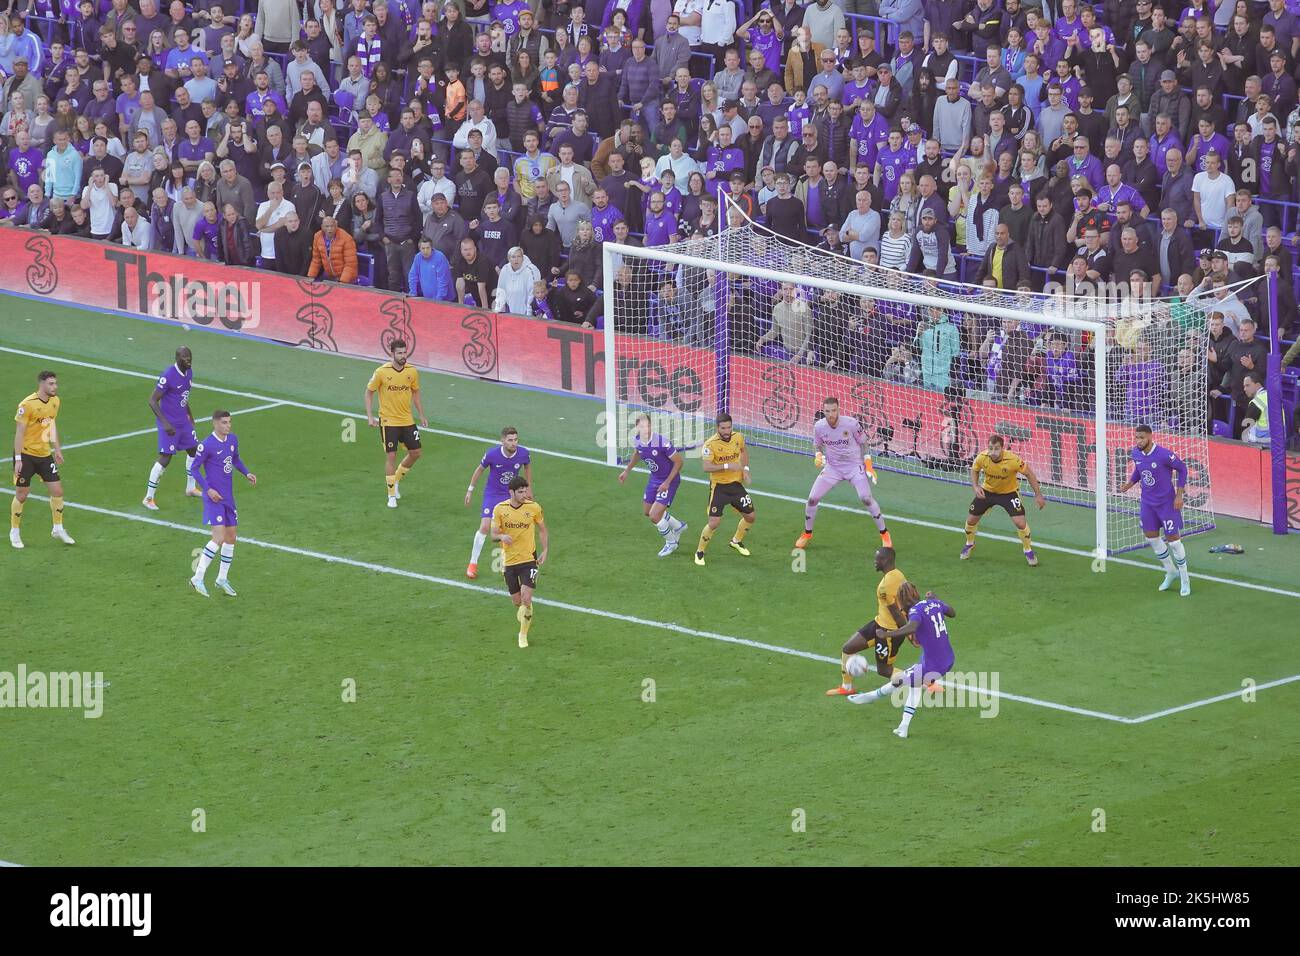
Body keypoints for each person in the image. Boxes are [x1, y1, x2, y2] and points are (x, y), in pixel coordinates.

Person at [848, 583, 958, 740]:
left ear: (904, 600)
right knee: (914, 684)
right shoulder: (932, 602)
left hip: (934, 664)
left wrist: (887, 635)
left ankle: (870, 697)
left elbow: (911, 627)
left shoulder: (915, 611)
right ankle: (903, 727)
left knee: (900, 680)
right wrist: (937, 600)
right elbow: (952, 613)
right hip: (945, 658)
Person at [794, 396, 889, 551]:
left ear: (838, 409)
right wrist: (818, 455)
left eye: (833, 410)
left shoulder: (851, 424)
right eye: (827, 411)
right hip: (833, 468)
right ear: (823, 411)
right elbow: (817, 446)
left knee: (865, 498)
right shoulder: (819, 427)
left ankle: (885, 534)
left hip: (854, 466)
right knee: (812, 498)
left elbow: (864, 443)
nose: (831, 414)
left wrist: (868, 465)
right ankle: (807, 533)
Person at [188, 409, 257, 597]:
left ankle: (221, 579)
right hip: (213, 498)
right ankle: (197, 578)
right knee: (218, 538)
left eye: (229, 422)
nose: (228, 425)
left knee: (231, 537)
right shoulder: (207, 445)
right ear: (215, 424)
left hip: (228, 497)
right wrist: (208, 489)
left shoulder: (233, 440)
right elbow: (194, 469)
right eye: (224, 423)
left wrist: (246, 473)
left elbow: (235, 459)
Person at [1118, 424, 1191, 596]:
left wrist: (1179, 495)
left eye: (1141, 437)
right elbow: (1139, 470)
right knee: (1151, 537)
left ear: (1150, 437)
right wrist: (1130, 483)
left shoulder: (1164, 454)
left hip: (1167, 503)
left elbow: (1182, 469)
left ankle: (1185, 578)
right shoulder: (1136, 453)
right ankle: (1170, 571)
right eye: (1136, 437)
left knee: (1173, 541)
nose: (1138, 440)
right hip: (1147, 503)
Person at [826, 546, 908, 697]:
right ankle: (847, 686)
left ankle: (924, 682)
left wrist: (909, 632)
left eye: (877, 559)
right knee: (848, 648)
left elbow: (896, 614)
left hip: (889, 632)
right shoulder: (898, 575)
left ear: (886, 560)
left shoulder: (885, 587)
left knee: (884, 670)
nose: (874, 562)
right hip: (879, 624)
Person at [11, 370, 74, 549]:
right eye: (51, 384)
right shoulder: (27, 405)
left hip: (44, 454)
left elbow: (51, 424)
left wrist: (57, 449)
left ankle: (58, 528)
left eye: (55, 383)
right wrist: (18, 459)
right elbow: (19, 433)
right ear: (42, 385)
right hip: (26, 455)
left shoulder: (55, 401)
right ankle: (15, 532)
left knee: (57, 491)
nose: (55, 387)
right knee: (22, 495)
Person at [962, 433, 1046, 566]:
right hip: (988, 491)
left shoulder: (1013, 460)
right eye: (990, 448)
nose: (993, 452)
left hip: (1009, 493)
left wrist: (1038, 494)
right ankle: (969, 543)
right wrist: (975, 486)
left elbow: (1029, 474)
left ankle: (1028, 550)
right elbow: (975, 470)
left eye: (996, 448)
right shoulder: (982, 457)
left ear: (1002, 448)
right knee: (971, 520)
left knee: (1020, 523)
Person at [364, 338, 428, 509]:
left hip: (407, 420)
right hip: (388, 421)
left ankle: (396, 480)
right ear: (391, 353)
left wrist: (421, 415)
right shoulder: (381, 372)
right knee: (391, 456)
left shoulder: (412, 372)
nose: (403, 356)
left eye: (404, 352)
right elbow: (369, 393)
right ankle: (391, 495)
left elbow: (415, 393)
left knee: (416, 453)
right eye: (399, 353)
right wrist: (370, 417)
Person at [464, 426, 533, 579]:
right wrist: (470, 490)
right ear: (502, 441)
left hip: (510, 495)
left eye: (515, 440)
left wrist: (527, 489)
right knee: (485, 526)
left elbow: (527, 466)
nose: (513, 443)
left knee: (508, 530)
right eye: (510, 440)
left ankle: (506, 564)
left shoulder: (523, 453)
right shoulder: (492, 454)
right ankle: (472, 564)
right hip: (492, 494)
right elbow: (479, 470)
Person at [617, 412, 688, 558]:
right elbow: (637, 453)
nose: (645, 429)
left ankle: (671, 543)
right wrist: (627, 471)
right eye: (642, 426)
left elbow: (679, 462)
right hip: (654, 479)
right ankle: (678, 526)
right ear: (637, 427)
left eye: (648, 426)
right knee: (647, 511)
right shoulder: (637, 440)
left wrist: (667, 482)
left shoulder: (661, 442)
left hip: (669, 480)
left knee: (654, 516)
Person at [491, 474, 548, 648]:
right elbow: (493, 535)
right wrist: (501, 536)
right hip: (508, 561)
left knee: (526, 597)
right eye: (521, 492)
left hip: (529, 559)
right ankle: (526, 612)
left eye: (525, 491)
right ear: (511, 492)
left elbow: (543, 530)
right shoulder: (500, 509)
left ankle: (522, 635)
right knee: (517, 602)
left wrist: (546, 550)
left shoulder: (534, 508)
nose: (525, 494)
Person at [143, 346, 200, 510]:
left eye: (189, 356)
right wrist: (165, 423)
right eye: (184, 357)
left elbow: (183, 396)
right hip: (168, 423)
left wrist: (189, 414)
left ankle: (190, 488)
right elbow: (152, 401)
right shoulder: (168, 375)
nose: (188, 359)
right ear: (177, 358)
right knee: (165, 458)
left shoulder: (189, 372)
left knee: (194, 451)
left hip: (183, 421)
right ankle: (148, 498)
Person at [694, 412, 755, 566]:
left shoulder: (738, 437)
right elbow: (706, 467)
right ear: (717, 428)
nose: (727, 431)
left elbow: (743, 451)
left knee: (750, 517)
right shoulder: (710, 444)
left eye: (729, 427)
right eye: (723, 428)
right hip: (719, 487)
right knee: (714, 523)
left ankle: (736, 541)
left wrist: (745, 469)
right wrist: (728, 465)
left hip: (735, 485)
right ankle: (700, 552)